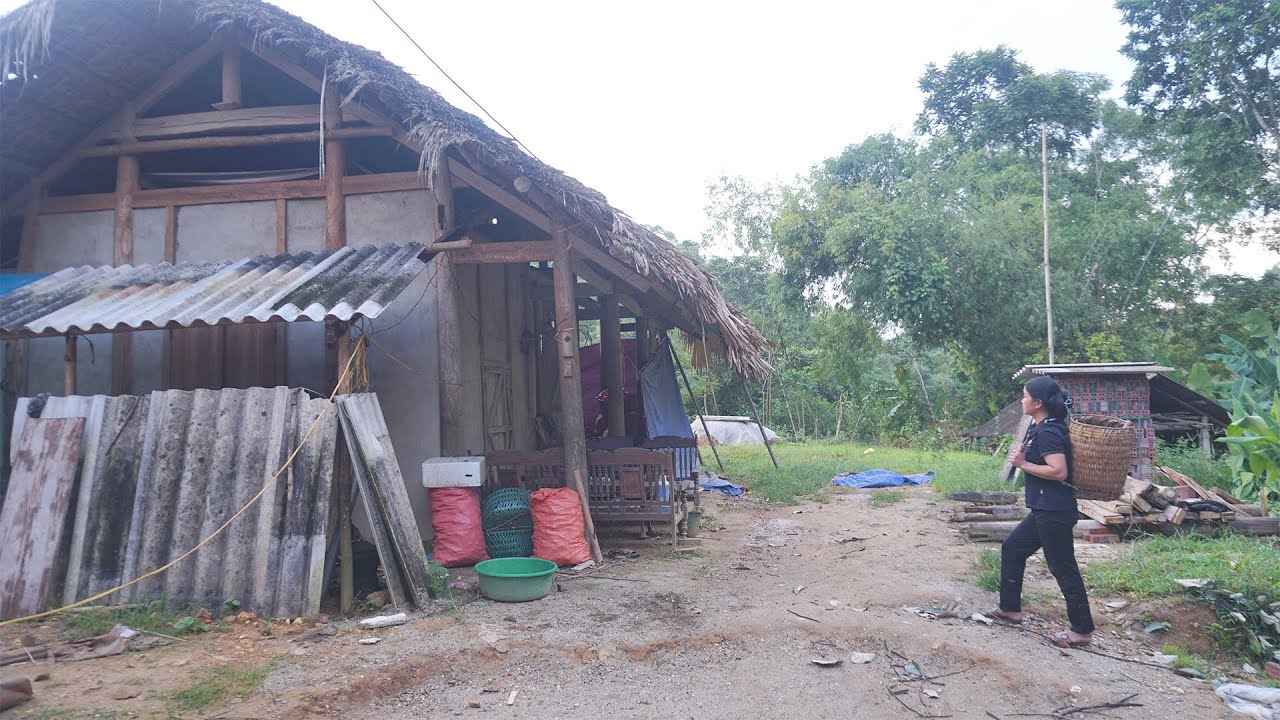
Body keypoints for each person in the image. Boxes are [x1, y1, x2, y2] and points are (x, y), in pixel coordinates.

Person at [989, 375, 1095, 648]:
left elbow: (1059, 471)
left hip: (1054, 512)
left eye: (1025, 396)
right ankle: (1010, 609)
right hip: (1044, 509)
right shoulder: (1045, 426)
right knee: (1013, 549)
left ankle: (1082, 630)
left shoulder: (1049, 432)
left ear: (1037, 403)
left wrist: (1023, 464)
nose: (1022, 400)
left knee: (1062, 566)